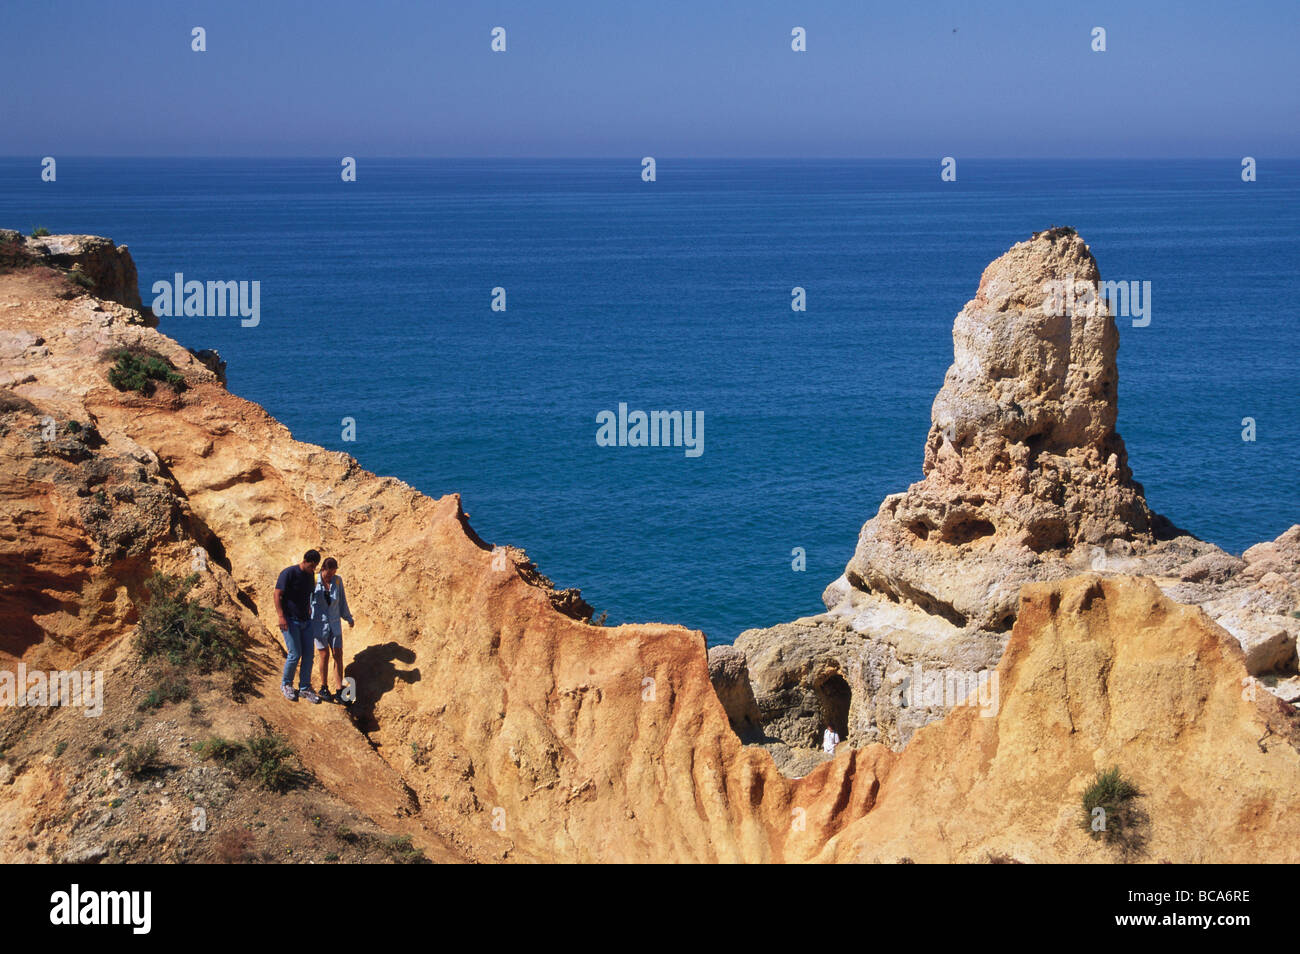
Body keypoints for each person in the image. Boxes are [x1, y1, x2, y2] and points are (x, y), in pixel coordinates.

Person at [275, 549, 321, 703]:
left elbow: (308, 594)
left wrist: (308, 607)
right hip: (290, 620)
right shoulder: (289, 573)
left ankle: (304, 688)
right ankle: (286, 684)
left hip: (306, 621)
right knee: (295, 654)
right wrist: (281, 616)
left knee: (309, 655)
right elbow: (277, 594)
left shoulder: (309, 577)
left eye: (315, 567)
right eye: (312, 566)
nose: (313, 570)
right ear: (306, 561)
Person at [310, 557, 355, 704]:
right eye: (328, 574)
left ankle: (339, 690)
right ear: (323, 569)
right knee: (324, 654)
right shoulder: (314, 580)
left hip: (334, 624)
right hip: (319, 624)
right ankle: (324, 687)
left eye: (333, 573)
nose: (330, 577)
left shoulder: (337, 581)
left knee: (338, 654)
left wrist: (348, 617)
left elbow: (342, 600)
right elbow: (307, 601)